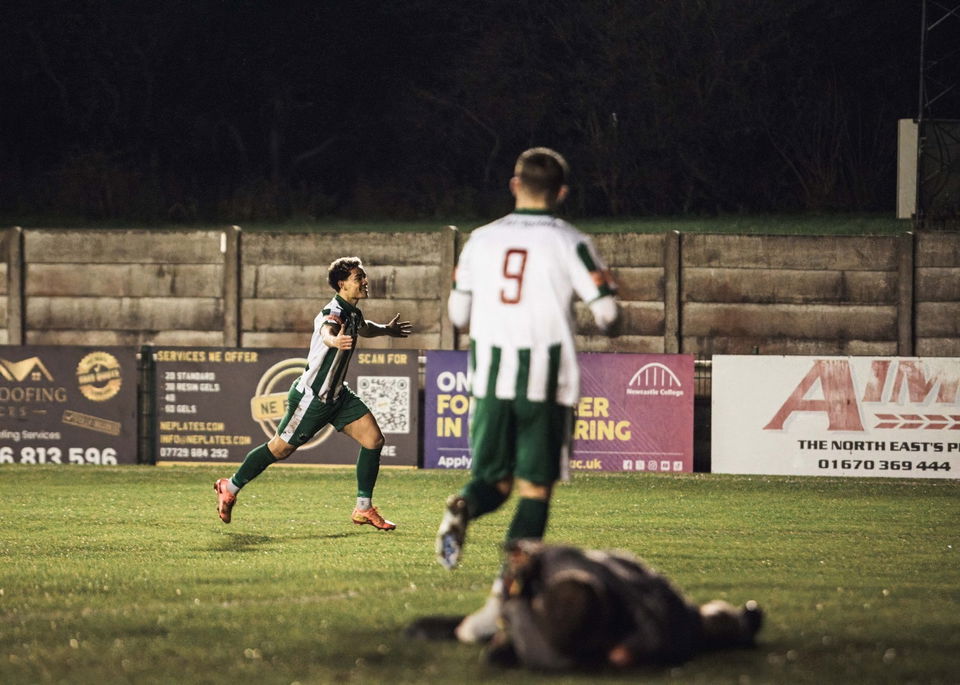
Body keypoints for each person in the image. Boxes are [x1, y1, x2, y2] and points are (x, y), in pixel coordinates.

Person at [435, 147, 620, 641]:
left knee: (494, 485)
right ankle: (500, 602)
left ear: (514, 184)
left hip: (489, 378)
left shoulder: (480, 240)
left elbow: (457, 316)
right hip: (546, 379)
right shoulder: (570, 241)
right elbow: (608, 316)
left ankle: (463, 508)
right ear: (561, 192)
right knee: (534, 490)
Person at [213, 256, 412, 530]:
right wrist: (334, 340)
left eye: (363, 276)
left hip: (338, 397)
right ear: (342, 284)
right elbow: (328, 330)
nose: (365, 281)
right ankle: (229, 486)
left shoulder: (353, 312)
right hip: (312, 399)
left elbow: (365, 328)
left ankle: (363, 509)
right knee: (279, 449)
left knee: (374, 440)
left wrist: (386, 330)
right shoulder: (332, 312)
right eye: (358, 278)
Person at [406, 540, 764, 672]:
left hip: (640, 587)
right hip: (596, 581)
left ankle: (739, 622)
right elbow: (520, 554)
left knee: (701, 623)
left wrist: (636, 648)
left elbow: (665, 631)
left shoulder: (655, 614)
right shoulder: (551, 571)